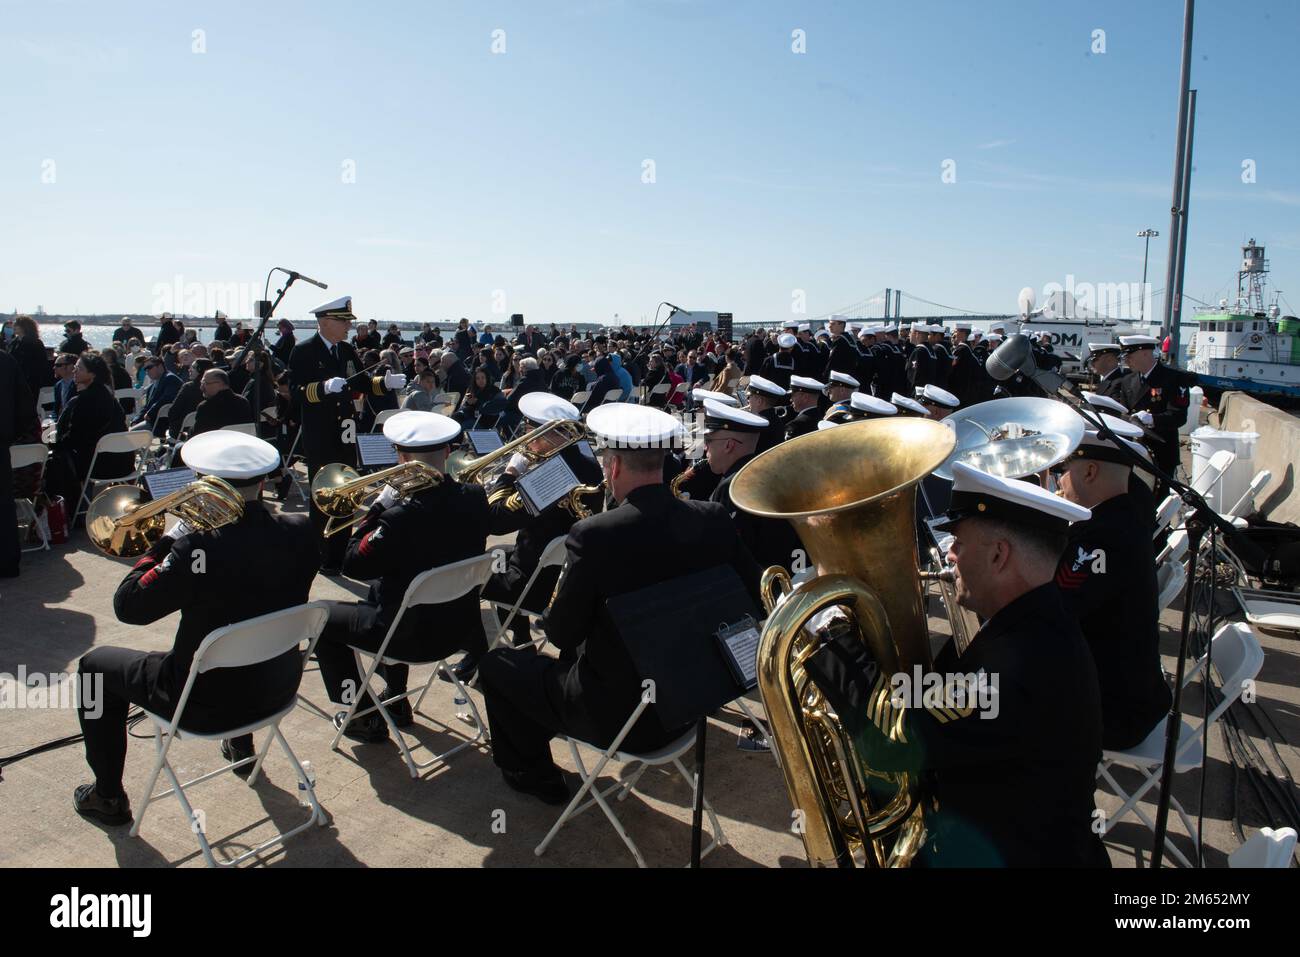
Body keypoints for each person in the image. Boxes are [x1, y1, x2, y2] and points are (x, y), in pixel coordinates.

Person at [821, 461, 1107, 866]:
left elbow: (895, 738)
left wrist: (832, 645)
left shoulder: (1016, 664)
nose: (949, 555)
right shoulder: (1034, 623)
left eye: (958, 542)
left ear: (998, 555)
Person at [477, 404, 762, 803]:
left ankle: (533, 774)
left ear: (611, 466)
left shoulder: (594, 535)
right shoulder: (713, 517)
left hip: (621, 718)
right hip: (692, 706)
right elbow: (754, 598)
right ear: (663, 462)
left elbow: (561, 632)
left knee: (497, 666)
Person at [72, 432, 319, 825]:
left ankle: (107, 795)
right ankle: (242, 745)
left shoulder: (196, 548)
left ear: (205, 483)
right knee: (250, 624)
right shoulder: (302, 531)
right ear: (261, 481)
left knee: (93, 668)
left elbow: (128, 606)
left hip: (201, 704)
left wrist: (170, 541)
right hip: (276, 688)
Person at [313, 411, 490, 742]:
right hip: (456, 631)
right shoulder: (476, 498)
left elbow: (351, 563)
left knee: (320, 617)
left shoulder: (398, 518)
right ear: (448, 453)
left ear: (402, 458)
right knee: (387, 587)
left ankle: (363, 715)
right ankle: (395, 702)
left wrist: (378, 508)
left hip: (408, 638)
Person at [452, 394, 605, 678]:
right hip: (562, 572)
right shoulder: (586, 461)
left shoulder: (553, 473)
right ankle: (522, 643)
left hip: (536, 586)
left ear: (551, 435)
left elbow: (495, 521)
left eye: (530, 428)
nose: (524, 434)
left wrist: (511, 473)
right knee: (496, 556)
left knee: (466, 573)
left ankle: (477, 655)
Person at [1051, 431, 1171, 750]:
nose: (1058, 480)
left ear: (1089, 472)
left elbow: (1054, 609)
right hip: (1130, 696)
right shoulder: (1123, 516)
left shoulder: (1105, 537)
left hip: (1113, 714)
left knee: (992, 697)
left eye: (1063, 470)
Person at [289, 295, 407, 573]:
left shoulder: (345, 350)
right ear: (326, 321)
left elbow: (361, 381)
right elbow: (295, 393)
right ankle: (322, 554)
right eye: (344, 322)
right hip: (321, 434)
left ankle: (341, 552)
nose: (349, 328)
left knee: (348, 491)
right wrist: (322, 387)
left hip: (346, 432)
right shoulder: (304, 351)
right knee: (324, 495)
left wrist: (384, 383)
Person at [702, 401, 803, 583]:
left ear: (729, 446)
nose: (704, 448)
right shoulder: (762, 472)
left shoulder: (733, 486)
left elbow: (729, 552)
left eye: (708, 441)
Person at [45, 353, 132, 512]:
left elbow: (74, 438)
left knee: (52, 460)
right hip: (123, 463)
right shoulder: (110, 397)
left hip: (98, 465)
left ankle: (65, 511)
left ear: (91, 374)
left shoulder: (85, 400)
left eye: (78, 368)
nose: (74, 371)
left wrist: (49, 446)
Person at [1114, 335, 1194, 488]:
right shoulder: (1127, 381)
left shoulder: (1174, 378)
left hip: (1161, 453)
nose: (1126, 361)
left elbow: (1178, 416)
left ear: (1145, 353)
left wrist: (1152, 419)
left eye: (1129, 356)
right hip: (1134, 452)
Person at [1, 348, 36, 577]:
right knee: (3, 505)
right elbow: (26, 406)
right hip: (2, 442)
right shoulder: (6, 360)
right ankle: (7, 561)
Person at [130, 356, 183, 436]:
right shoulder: (153, 385)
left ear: (160, 366)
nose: (147, 371)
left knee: (131, 434)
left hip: (163, 424)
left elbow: (167, 399)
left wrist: (150, 413)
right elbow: (146, 407)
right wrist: (136, 420)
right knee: (129, 431)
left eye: (149, 367)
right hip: (153, 421)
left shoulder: (170, 378)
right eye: (145, 369)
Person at [192, 368, 255, 435]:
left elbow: (197, 435)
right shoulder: (243, 402)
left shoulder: (206, 407)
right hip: (240, 443)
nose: (201, 387)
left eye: (204, 383)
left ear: (219, 383)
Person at [743, 374, 789, 454]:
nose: (748, 401)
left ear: (759, 401)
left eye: (749, 397)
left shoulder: (758, 424)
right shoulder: (775, 419)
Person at [8, 316, 54, 394]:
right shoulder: (14, 342)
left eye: (16, 325)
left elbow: (41, 363)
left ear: (24, 327)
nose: (13, 326)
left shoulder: (35, 342)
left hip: (30, 381)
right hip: (15, 379)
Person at [785, 375, 826, 439]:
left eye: (793, 395)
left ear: (805, 397)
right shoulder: (821, 418)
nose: (790, 399)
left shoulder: (796, 424)